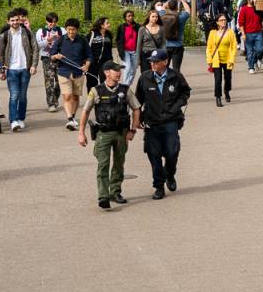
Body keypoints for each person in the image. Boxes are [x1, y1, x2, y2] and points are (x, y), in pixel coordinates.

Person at [76, 60, 141, 210]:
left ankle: (115, 192)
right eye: (115, 70)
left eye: (120, 70)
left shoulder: (125, 90)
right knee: (103, 164)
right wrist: (81, 133)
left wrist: (133, 130)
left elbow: (136, 109)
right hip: (103, 134)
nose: (119, 73)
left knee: (119, 164)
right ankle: (103, 196)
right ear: (107, 73)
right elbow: (85, 111)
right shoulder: (96, 90)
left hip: (121, 133)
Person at [135, 48, 191, 200]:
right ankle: (159, 186)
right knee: (154, 156)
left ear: (165, 62)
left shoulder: (176, 76)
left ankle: (170, 175)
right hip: (152, 122)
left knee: (172, 153)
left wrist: (176, 106)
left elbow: (185, 92)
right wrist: (137, 118)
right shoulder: (145, 77)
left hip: (170, 121)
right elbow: (137, 100)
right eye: (151, 62)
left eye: (156, 62)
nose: (152, 64)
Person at [53, 18, 91, 130]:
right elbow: (52, 54)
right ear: (66, 29)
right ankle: (69, 119)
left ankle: (73, 117)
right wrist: (56, 56)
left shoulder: (82, 40)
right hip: (63, 72)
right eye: (68, 30)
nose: (70, 32)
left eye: (73, 30)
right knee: (67, 96)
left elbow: (89, 55)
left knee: (75, 96)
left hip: (78, 72)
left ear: (77, 30)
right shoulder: (60, 40)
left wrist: (87, 65)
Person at [205, 12, 239, 107]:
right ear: (217, 22)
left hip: (227, 59)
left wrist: (232, 58)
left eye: (225, 20)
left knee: (228, 79)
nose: (224, 22)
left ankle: (226, 91)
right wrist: (209, 60)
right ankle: (218, 97)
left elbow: (234, 46)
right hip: (216, 60)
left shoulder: (230, 32)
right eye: (221, 20)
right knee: (218, 80)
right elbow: (209, 47)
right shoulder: (212, 33)